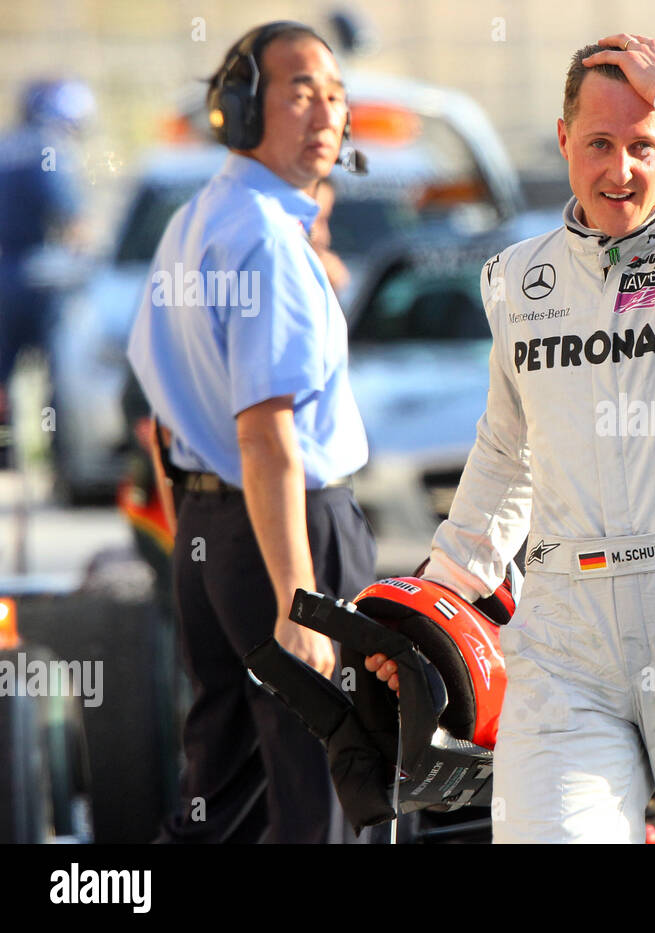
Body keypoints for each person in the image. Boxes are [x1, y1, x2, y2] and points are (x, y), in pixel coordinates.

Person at [369, 34, 655, 843]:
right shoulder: (515, 277)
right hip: (565, 627)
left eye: (645, 146)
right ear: (564, 136)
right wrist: (438, 597)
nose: (621, 171)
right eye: (600, 143)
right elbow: (509, 451)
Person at [127, 20, 375, 843]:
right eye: (301, 90)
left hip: (213, 532)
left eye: (336, 95)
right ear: (239, 107)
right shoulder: (269, 240)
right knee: (320, 794)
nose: (326, 111)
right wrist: (298, 601)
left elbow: (163, 403)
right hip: (290, 529)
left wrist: (200, 535)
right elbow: (267, 434)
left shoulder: (197, 220)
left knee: (222, 794)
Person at [0, 78, 93, 468]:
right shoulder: (49, 149)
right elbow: (72, 220)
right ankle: (59, 457)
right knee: (58, 373)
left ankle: (5, 452)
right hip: (41, 281)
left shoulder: (6, 147)